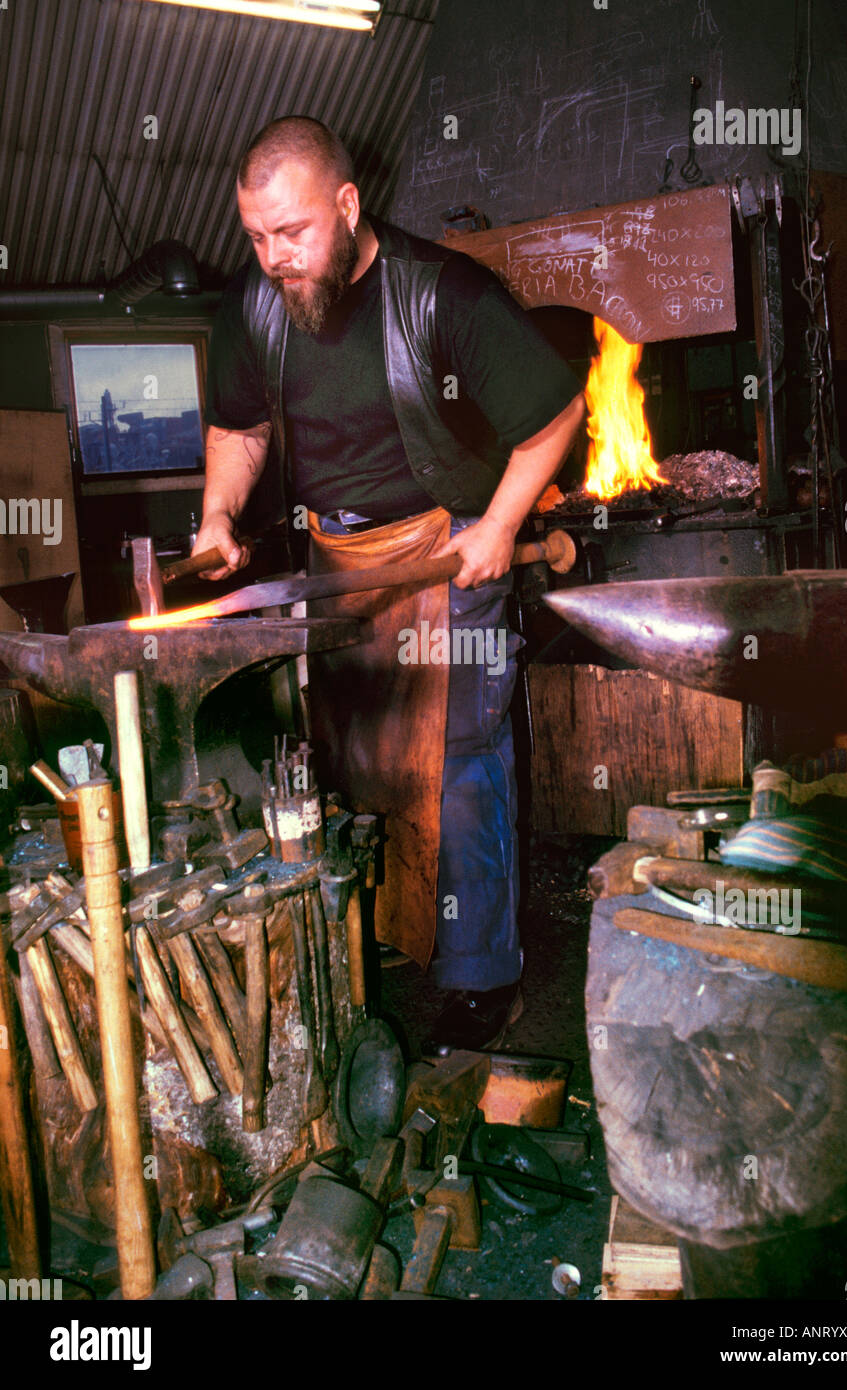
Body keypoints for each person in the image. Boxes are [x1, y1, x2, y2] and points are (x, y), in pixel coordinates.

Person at [196, 116, 584, 1051]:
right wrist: (217, 515)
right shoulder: (256, 308)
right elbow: (240, 428)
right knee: (355, 762)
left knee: (460, 763)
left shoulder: (443, 294)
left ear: (347, 204)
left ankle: (482, 981)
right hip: (340, 567)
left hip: (448, 549)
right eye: (256, 236)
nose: (275, 257)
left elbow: (555, 410)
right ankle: (381, 950)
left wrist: (497, 526)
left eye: (293, 232)